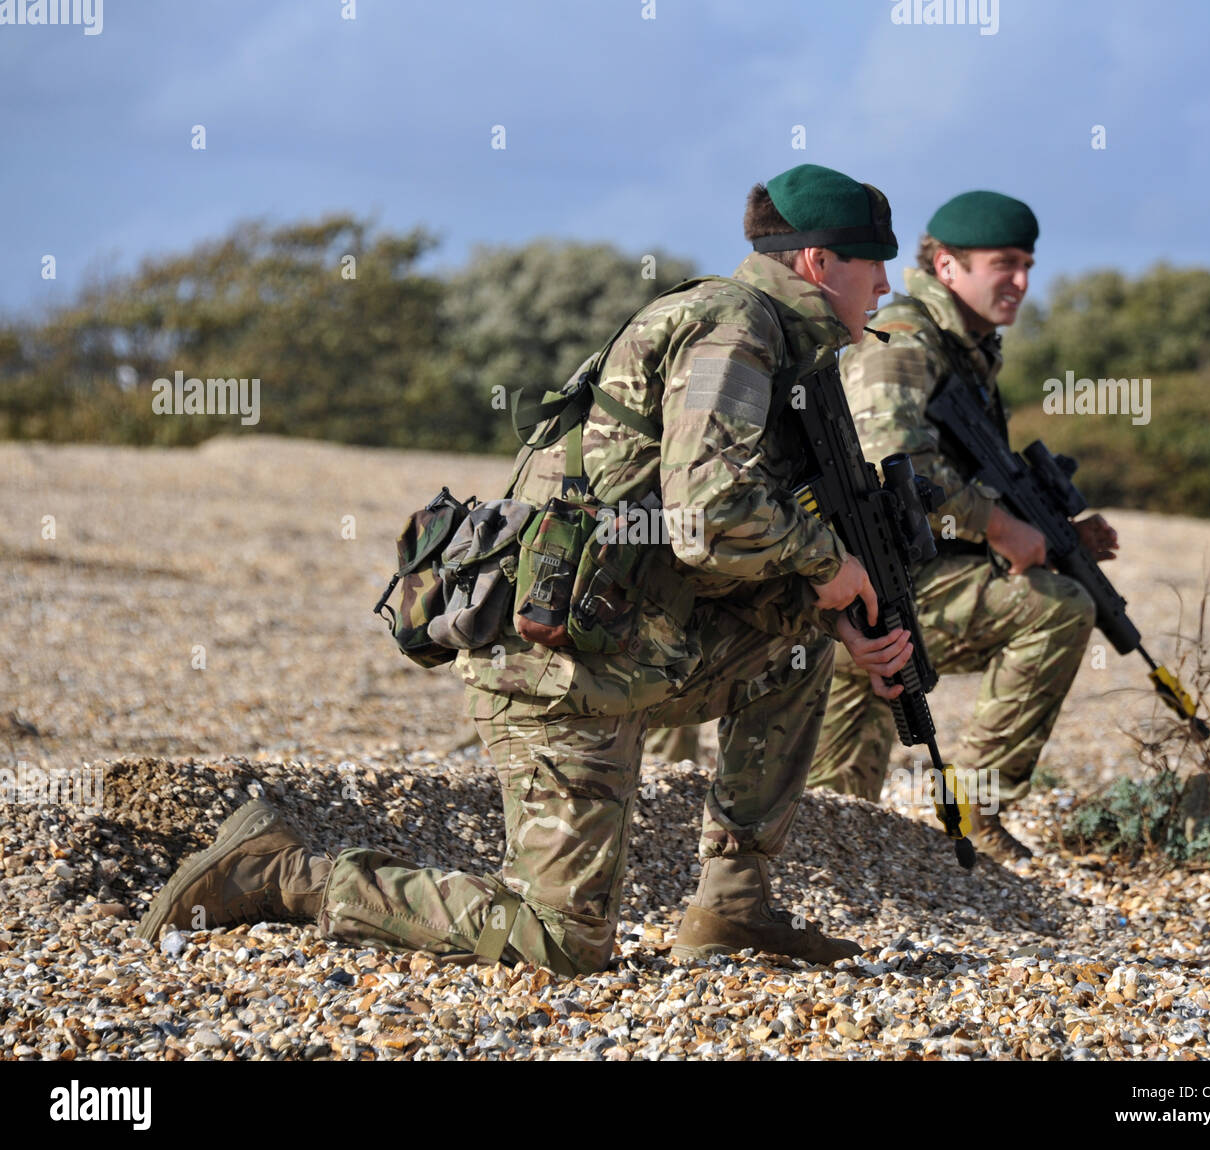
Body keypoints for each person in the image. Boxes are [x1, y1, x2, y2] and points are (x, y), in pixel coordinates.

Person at [138, 163, 914, 974]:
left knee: (797, 653)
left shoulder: (782, 349)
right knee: (560, 944)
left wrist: (828, 612)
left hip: (626, 648)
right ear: (819, 263)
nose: (888, 285)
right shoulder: (734, 326)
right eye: (875, 261)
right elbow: (708, 513)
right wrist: (828, 564)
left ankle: (733, 908)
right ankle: (282, 872)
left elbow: (712, 543)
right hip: (551, 667)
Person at [807, 190, 1117, 862]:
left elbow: (958, 472)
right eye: (1003, 263)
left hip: (891, 581)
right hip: (860, 584)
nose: (1022, 282)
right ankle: (969, 813)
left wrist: (1052, 528)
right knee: (829, 818)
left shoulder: (963, 349)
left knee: (837, 819)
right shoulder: (905, 342)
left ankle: (953, 830)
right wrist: (1000, 528)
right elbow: (895, 464)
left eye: (1028, 264)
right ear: (947, 266)